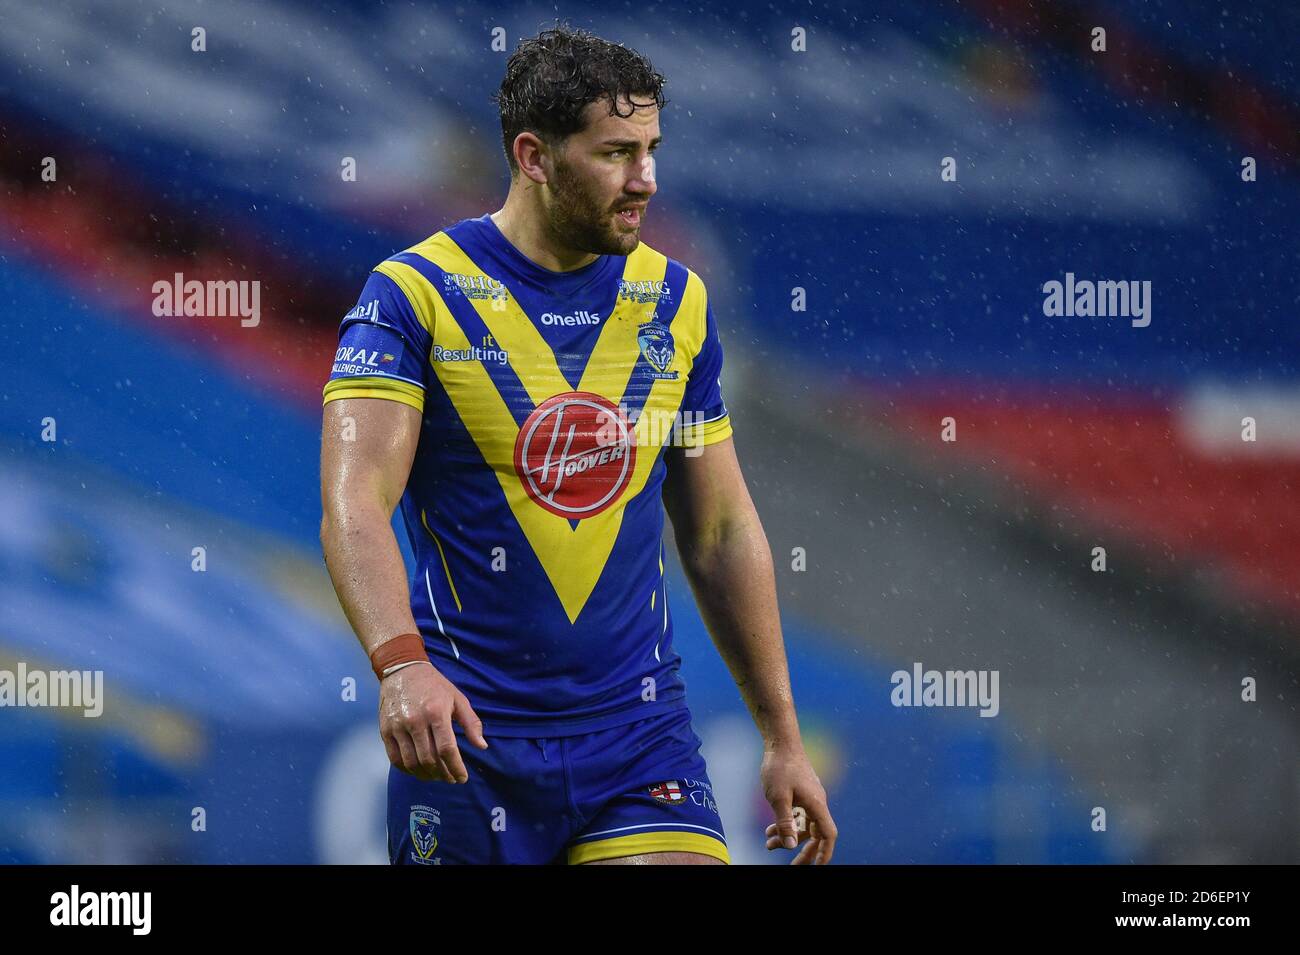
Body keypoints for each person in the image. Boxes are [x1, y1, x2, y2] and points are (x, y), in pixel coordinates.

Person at [319, 24, 836, 865]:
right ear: (533, 156)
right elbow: (354, 506)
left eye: (653, 149)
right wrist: (399, 666)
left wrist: (783, 735)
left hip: (639, 738)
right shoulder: (412, 296)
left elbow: (721, 532)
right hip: (467, 739)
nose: (646, 180)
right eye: (616, 153)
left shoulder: (678, 303)